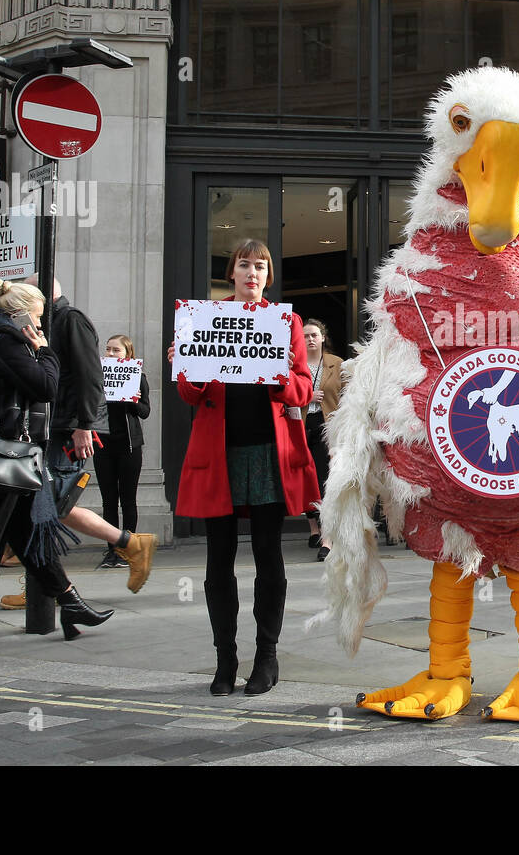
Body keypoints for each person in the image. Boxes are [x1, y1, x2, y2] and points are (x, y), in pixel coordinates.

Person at [168, 239, 320, 696]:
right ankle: (225, 659)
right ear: (230, 273)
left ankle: (266, 657)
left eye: (260, 266)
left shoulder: (285, 321)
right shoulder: (203, 319)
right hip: (219, 455)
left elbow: (304, 390)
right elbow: (191, 395)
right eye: (243, 265)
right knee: (219, 561)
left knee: (269, 556)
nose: (251, 273)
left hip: (268, 454)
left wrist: (275, 373)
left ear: (267, 276)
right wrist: (186, 370)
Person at [0, 280, 113, 658]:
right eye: (36, 317)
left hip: (4, 456)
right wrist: (46, 352)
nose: (39, 325)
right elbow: (47, 387)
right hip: (7, 458)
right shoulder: (8, 344)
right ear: (20, 316)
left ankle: (70, 602)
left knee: (28, 533)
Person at [0, 279, 157, 608]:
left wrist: (85, 425)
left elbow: (90, 375)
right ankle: (126, 545)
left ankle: (48, 590)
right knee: (53, 506)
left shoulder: (71, 320)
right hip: (51, 428)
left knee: (47, 506)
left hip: (65, 430)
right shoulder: (53, 323)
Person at [92, 334, 150, 568]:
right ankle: (111, 550)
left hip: (128, 446)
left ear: (128, 354)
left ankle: (127, 550)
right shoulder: (99, 377)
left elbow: (145, 411)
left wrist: (132, 401)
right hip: (104, 445)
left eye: (116, 350)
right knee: (108, 501)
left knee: (128, 500)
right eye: (108, 350)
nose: (111, 354)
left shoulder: (138, 378)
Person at [302, 319, 343, 563]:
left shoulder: (336, 364)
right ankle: (313, 529)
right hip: (301, 425)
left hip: (327, 427)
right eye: (305, 335)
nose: (310, 339)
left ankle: (328, 537)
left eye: (314, 335)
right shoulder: (294, 365)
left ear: (323, 337)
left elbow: (348, 396)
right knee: (306, 479)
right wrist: (306, 397)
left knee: (325, 480)